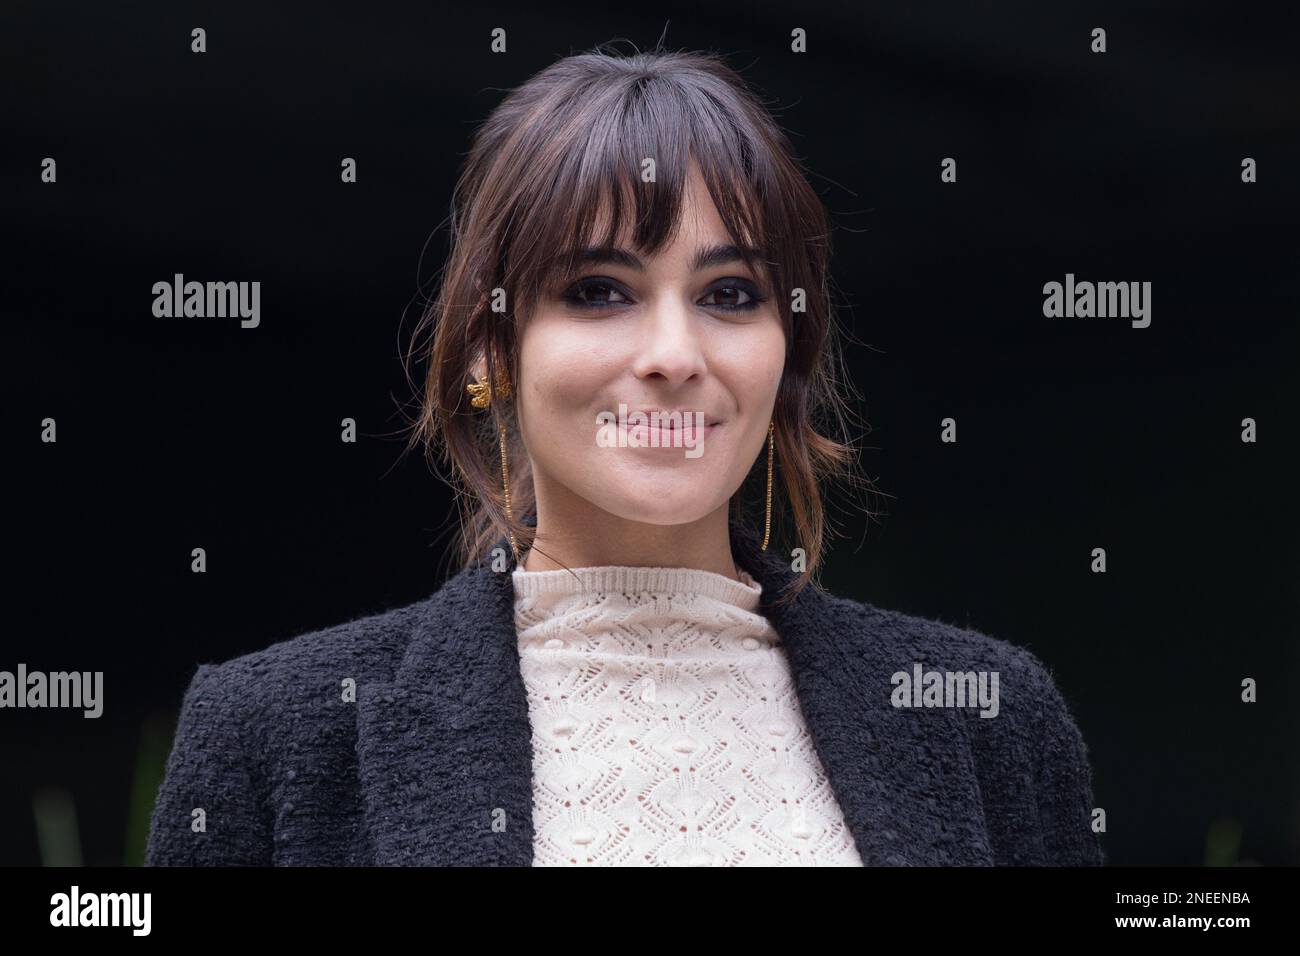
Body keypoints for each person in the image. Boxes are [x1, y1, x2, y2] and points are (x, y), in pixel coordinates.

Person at [145, 44, 1104, 867]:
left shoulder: (988, 720)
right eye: (599, 291)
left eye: (731, 294)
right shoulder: (274, 731)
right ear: (489, 349)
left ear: (789, 352)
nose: (673, 357)